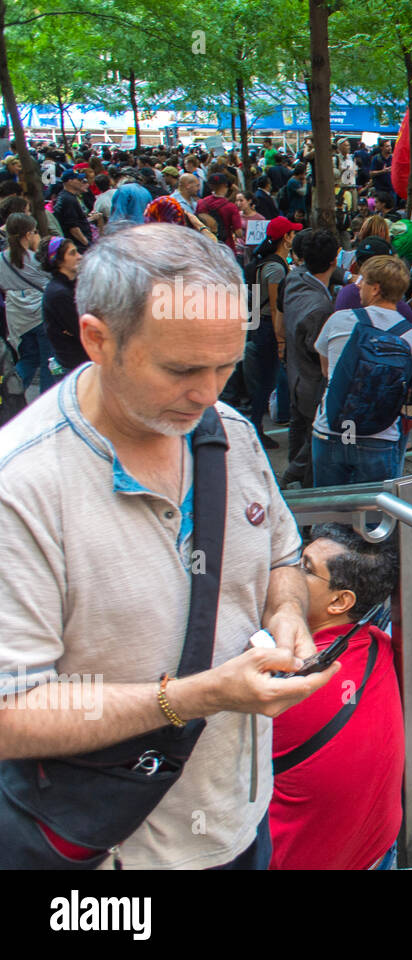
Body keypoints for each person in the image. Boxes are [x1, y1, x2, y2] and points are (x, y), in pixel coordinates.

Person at [0, 223, 333, 869]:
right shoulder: (22, 487)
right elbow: (11, 711)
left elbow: (281, 558)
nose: (209, 394)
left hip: (239, 817)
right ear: (96, 338)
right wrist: (192, 697)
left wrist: (287, 614)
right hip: (111, 846)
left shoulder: (229, 433)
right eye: (181, 369)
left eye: (227, 365)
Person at [269, 524, 403, 870]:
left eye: (304, 568)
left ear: (341, 601)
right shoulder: (377, 642)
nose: (287, 575)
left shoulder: (285, 684)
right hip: (379, 853)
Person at [312, 254, 412, 486]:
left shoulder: (339, 320)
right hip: (380, 436)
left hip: (332, 430)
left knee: (328, 510)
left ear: (376, 289)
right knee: (375, 519)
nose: (358, 288)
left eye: (363, 282)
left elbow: (326, 370)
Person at [279, 228, 339, 487]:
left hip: (294, 377)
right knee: (314, 447)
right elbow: (321, 354)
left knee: (298, 431)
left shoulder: (295, 279)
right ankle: (294, 481)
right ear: (334, 260)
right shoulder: (321, 310)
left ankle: (293, 479)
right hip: (312, 385)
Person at [245, 216, 300, 449]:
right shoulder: (275, 268)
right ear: (286, 237)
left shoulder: (264, 263)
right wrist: (280, 341)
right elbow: (278, 307)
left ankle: (255, 425)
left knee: (264, 382)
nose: (294, 237)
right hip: (268, 327)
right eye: (292, 233)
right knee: (265, 382)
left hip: (259, 324)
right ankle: (255, 428)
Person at [0, 213, 53, 394]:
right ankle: (46, 407)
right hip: (41, 315)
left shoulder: (1, 260)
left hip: (16, 317)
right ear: (29, 234)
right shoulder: (37, 260)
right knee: (49, 362)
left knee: (29, 358)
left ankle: (7, 393)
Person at [40, 236, 85, 373]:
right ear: (58, 260)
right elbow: (81, 330)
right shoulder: (59, 294)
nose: (79, 256)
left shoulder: (72, 284)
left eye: (77, 251)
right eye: (72, 253)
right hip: (76, 365)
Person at [52, 171, 92, 251]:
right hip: (78, 245)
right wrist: (86, 244)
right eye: (79, 180)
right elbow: (73, 228)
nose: (82, 182)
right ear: (70, 181)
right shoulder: (68, 199)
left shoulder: (66, 196)